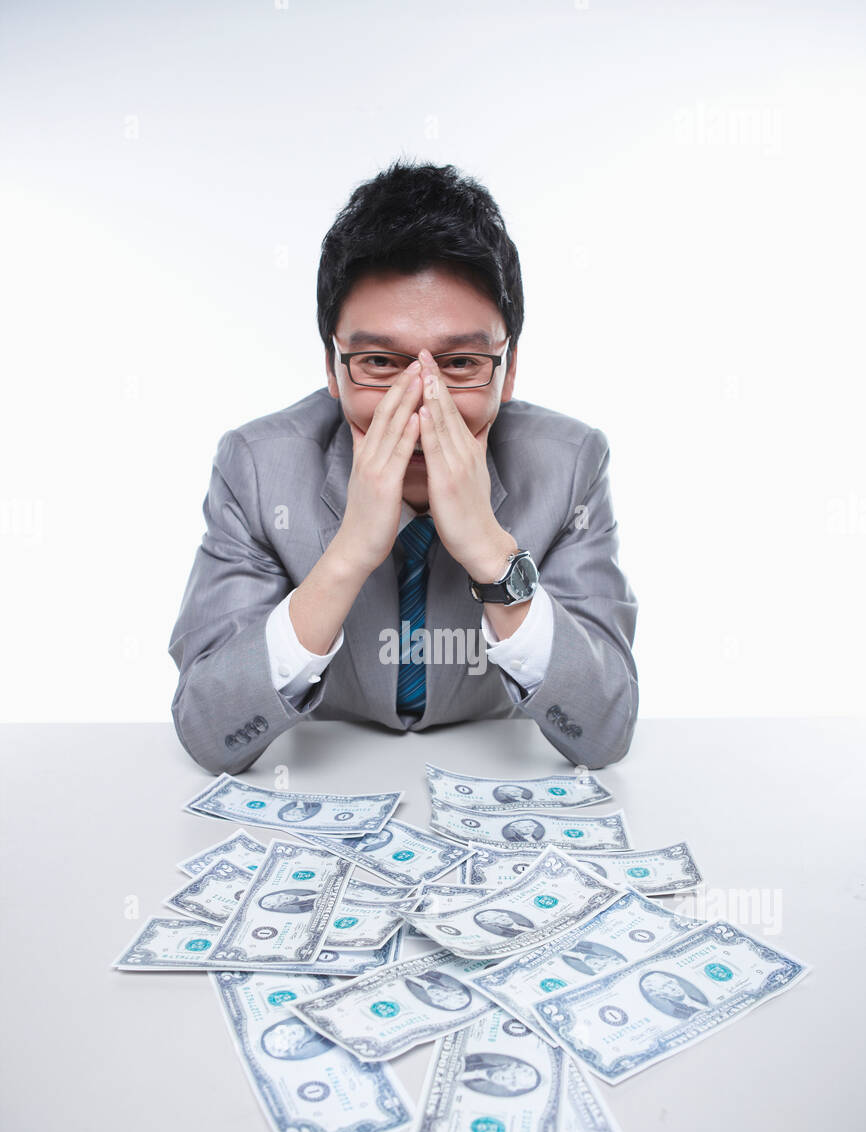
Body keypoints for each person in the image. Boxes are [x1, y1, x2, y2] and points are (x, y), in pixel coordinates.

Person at [168, 160, 638, 774]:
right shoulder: (257, 467)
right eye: (380, 362)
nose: (420, 401)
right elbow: (209, 730)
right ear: (332, 368)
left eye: (463, 363)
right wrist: (349, 553)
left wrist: (491, 553)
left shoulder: (570, 464)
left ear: (510, 369)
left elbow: (605, 731)